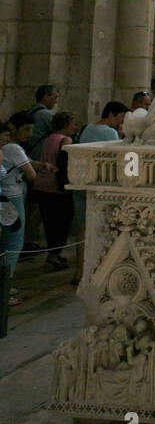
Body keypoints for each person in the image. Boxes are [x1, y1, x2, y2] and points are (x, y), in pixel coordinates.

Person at [74, 101, 128, 283]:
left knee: (82, 228)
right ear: (111, 115)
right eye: (120, 118)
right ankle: (97, 271)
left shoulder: (88, 128)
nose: (121, 123)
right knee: (101, 228)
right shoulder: (109, 132)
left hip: (82, 181)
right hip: (101, 185)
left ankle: (79, 271)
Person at [1, 111, 39, 297]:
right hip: (13, 196)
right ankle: (5, 288)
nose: (30, 133)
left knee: (6, 244)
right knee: (15, 243)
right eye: (27, 129)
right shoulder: (13, 148)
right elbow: (31, 174)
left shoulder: (6, 148)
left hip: (5, 195)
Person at [36, 111, 77, 271]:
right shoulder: (65, 140)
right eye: (72, 124)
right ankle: (52, 259)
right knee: (61, 223)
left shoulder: (48, 139)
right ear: (65, 126)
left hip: (42, 184)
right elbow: (67, 163)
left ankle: (53, 255)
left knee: (49, 223)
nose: (74, 127)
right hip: (56, 186)